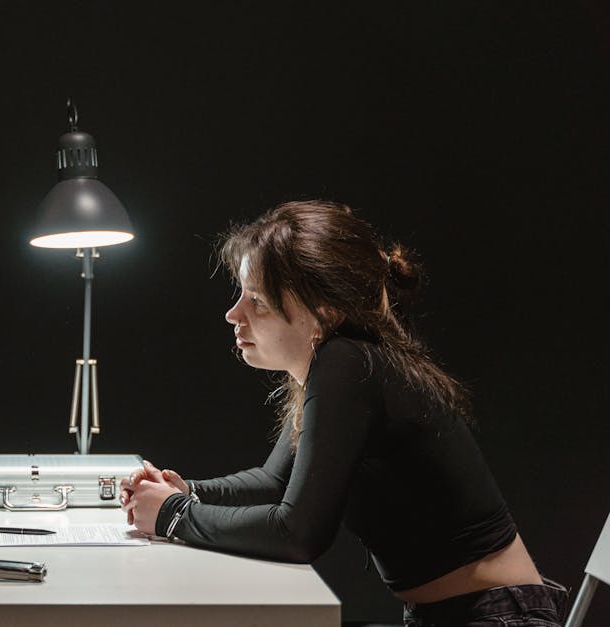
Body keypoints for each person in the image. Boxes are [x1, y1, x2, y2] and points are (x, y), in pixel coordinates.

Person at [119, 200, 568, 626]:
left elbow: (298, 533)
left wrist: (174, 514)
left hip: (495, 616)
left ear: (324, 311)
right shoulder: (342, 363)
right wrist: (188, 491)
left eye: (257, 299)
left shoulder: (347, 364)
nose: (233, 313)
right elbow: (274, 482)